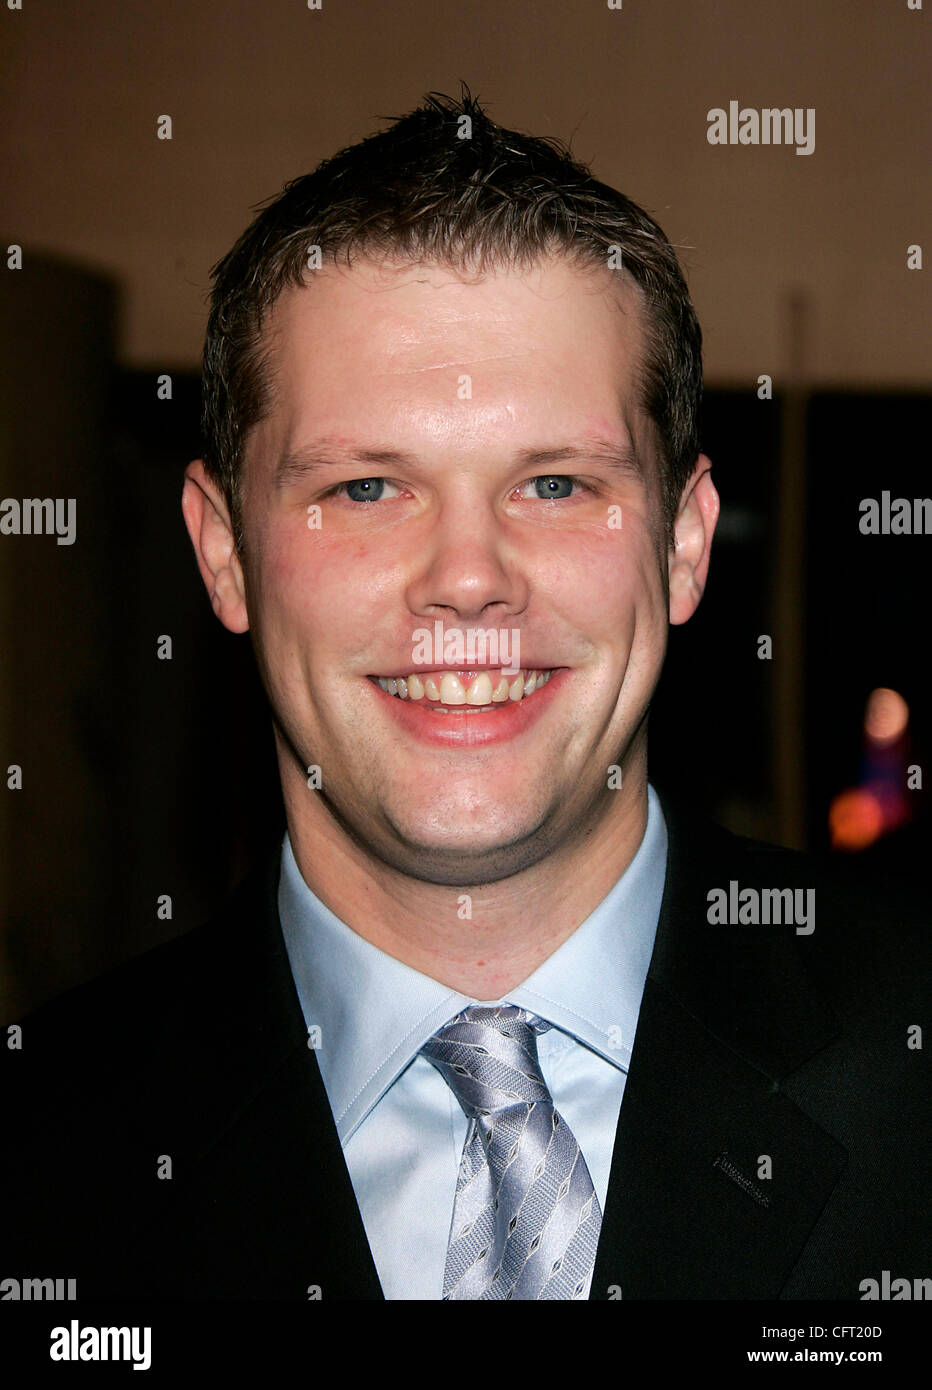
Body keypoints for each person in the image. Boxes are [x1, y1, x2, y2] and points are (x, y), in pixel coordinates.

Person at [3, 89, 929, 1302]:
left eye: (551, 482)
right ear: (222, 552)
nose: (468, 580)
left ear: (684, 546)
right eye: (365, 489)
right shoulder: (37, 1160)